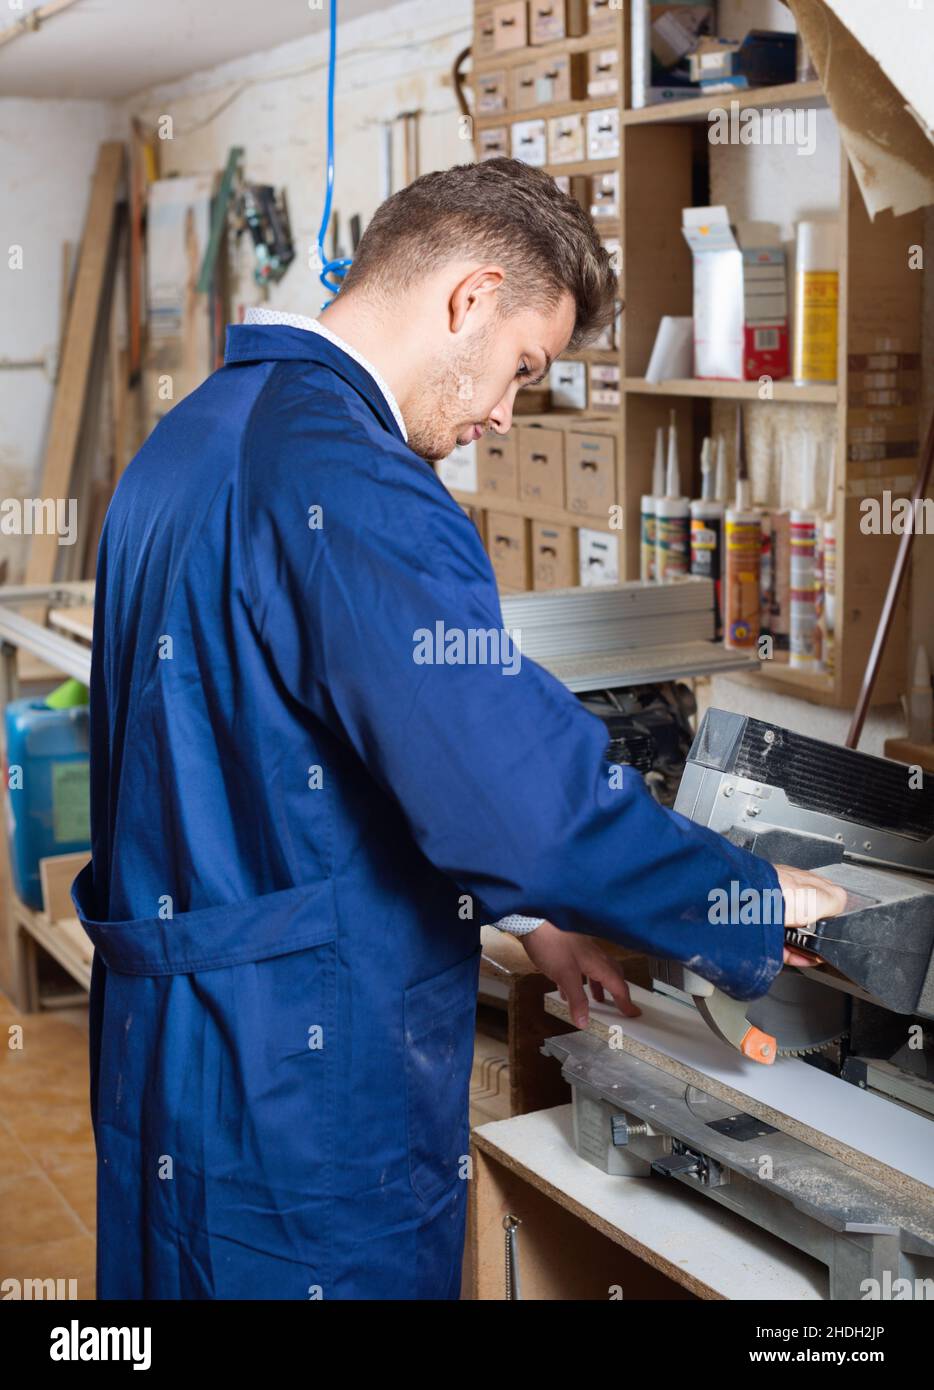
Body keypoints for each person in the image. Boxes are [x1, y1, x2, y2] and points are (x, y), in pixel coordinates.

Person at [72, 157, 845, 1299]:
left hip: (172, 1050)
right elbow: (519, 803)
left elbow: (322, 754)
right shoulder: (359, 484)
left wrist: (534, 917)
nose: (501, 414)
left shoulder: (192, 440)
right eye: (523, 368)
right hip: (303, 1088)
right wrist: (749, 899)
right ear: (469, 298)